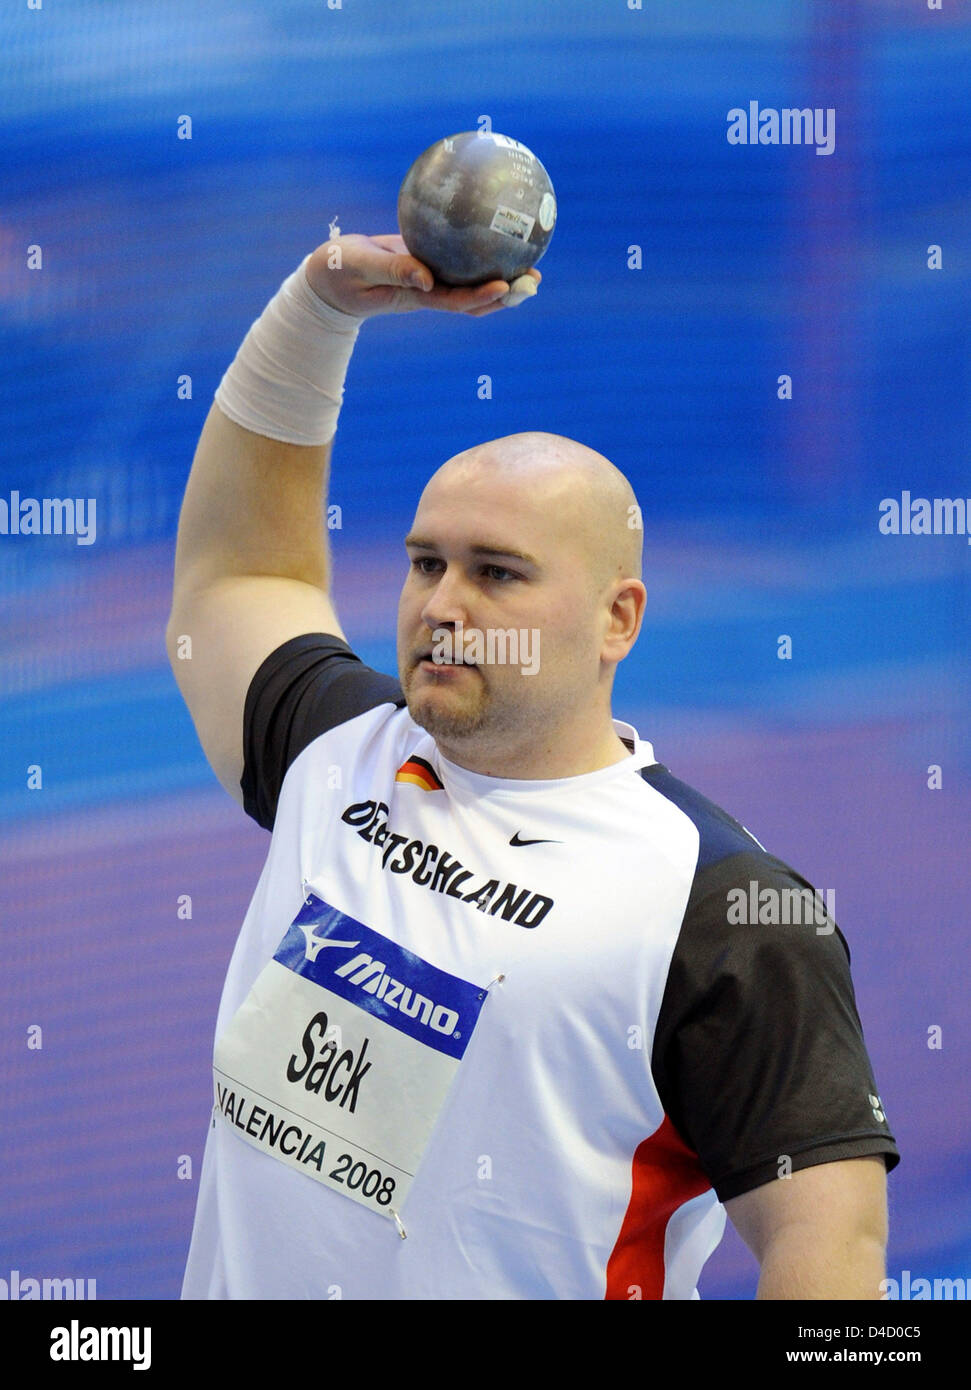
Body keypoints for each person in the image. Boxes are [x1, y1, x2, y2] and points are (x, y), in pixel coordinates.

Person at [168, 231, 899, 1300]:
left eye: (496, 573)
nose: (442, 604)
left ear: (617, 618)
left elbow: (828, 1255)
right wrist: (316, 311)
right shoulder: (338, 748)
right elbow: (241, 572)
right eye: (426, 562)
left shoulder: (721, 908)